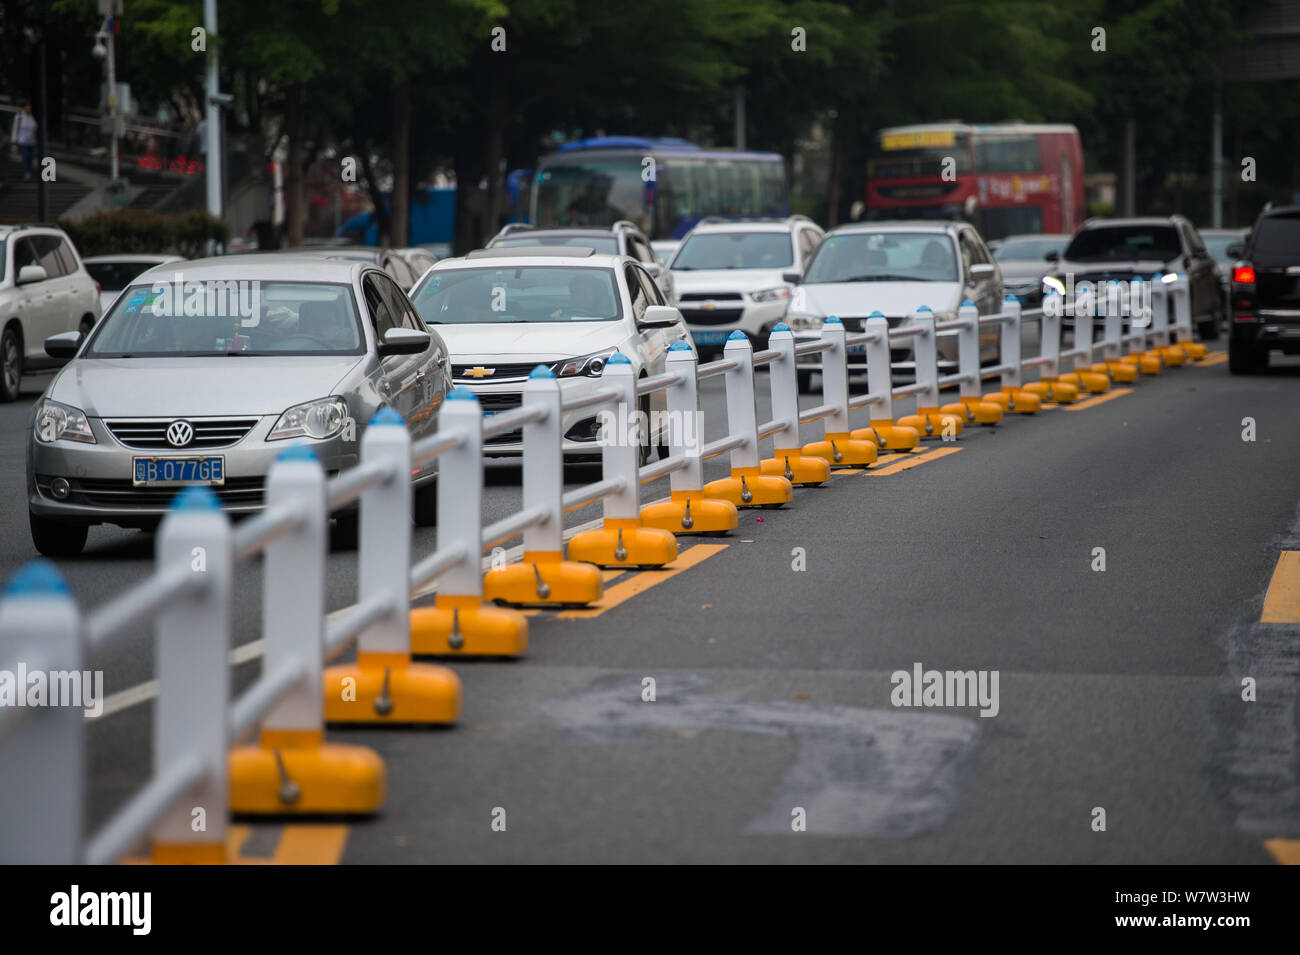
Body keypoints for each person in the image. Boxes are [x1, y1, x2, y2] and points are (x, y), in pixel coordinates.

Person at [9, 101, 37, 180]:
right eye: (28, 107)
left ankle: (29, 171)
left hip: (32, 141)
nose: (29, 108)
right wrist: (14, 139)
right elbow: (15, 128)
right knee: (26, 156)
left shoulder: (33, 117)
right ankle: (26, 173)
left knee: (30, 158)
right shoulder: (20, 116)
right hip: (23, 141)